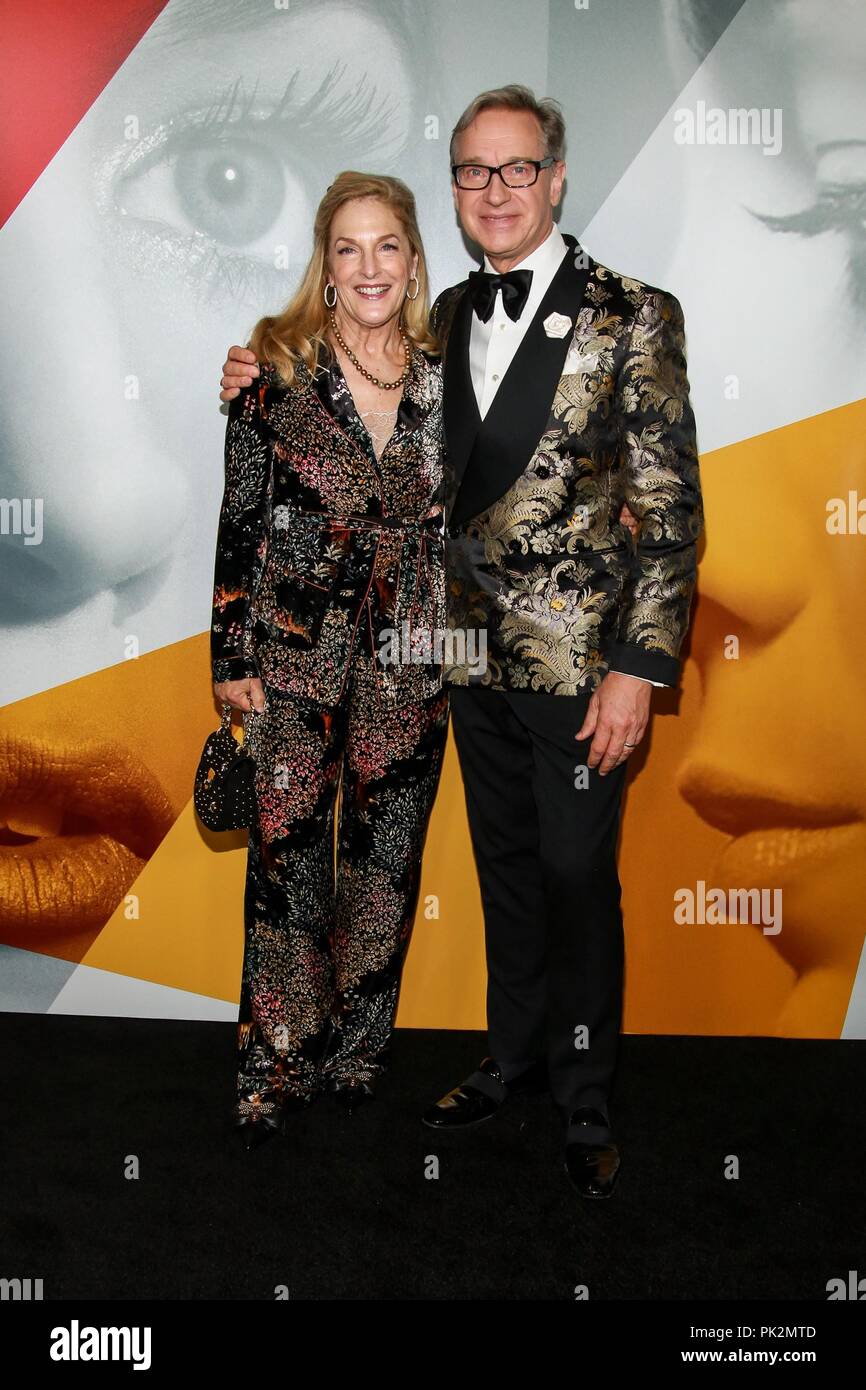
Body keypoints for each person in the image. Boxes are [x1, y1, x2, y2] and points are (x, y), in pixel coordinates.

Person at [218, 86, 701, 1197]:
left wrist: (638, 667)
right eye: (475, 172)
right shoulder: (436, 326)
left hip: (582, 667)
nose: (495, 190)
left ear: (555, 177)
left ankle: (583, 1096)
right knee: (506, 873)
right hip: (460, 661)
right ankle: (510, 1058)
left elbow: (669, 514)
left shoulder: (635, 311)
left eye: (516, 169)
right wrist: (248, 371)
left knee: (579, 873)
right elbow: (335, 371)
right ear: (454, 188)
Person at [210, 171, 449, 1148]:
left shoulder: (451, 379)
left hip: (412, 663)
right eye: (346, 248)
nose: (367, 267)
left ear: (411, 257)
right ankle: (276, 1063)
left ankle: (356, 1053)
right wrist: (229, 653)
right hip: (291, 663)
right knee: (285, 874)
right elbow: (238, 522)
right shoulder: (271, 370)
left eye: (385, 244)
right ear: (325, 259)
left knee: (384, 871)